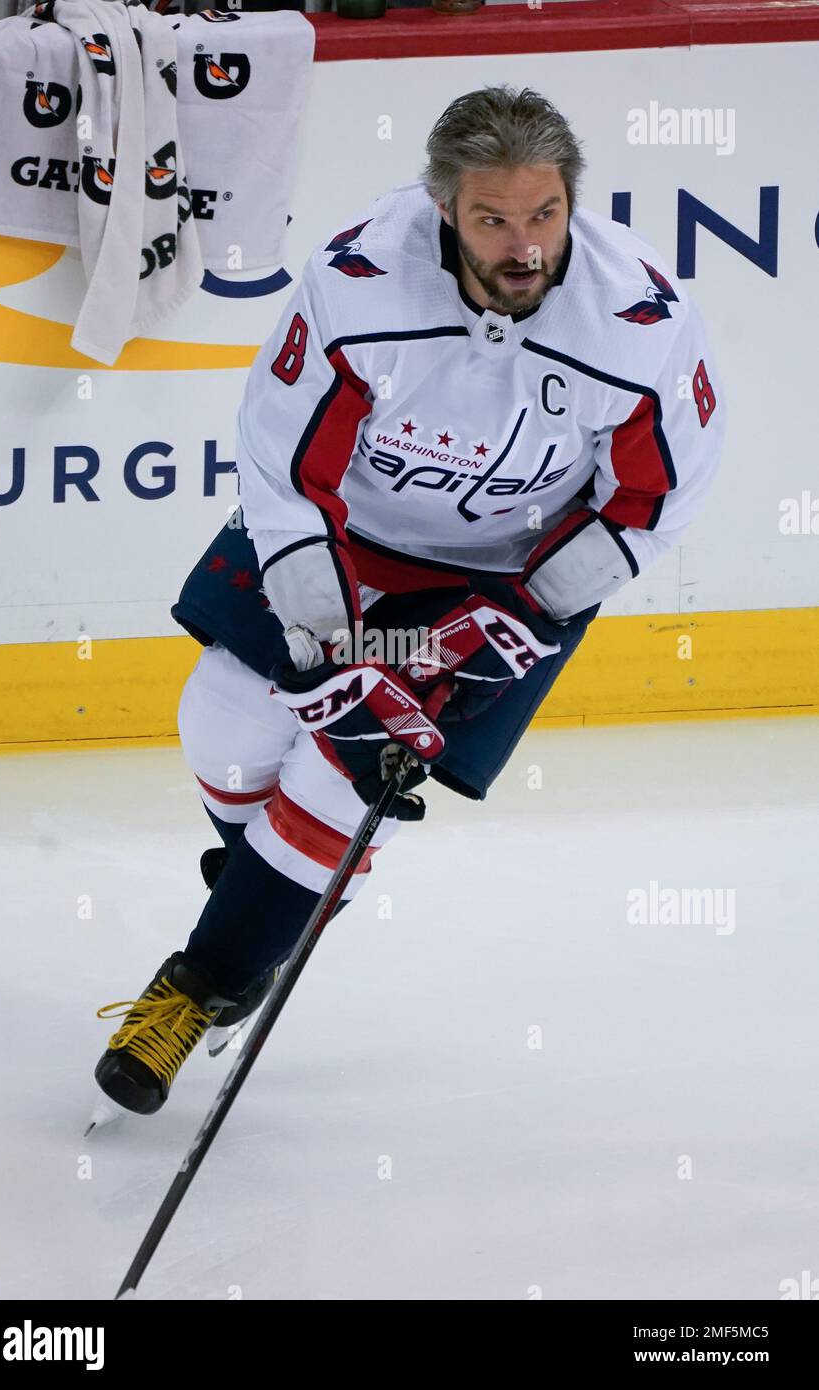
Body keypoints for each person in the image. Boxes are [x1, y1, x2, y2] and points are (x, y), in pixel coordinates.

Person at [94, 85, 724, 1115]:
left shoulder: (639, 320)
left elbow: (653, 495)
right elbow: (285, 458)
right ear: (442, 207)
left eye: (543, 214)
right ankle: (269, 905)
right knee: (222, 718)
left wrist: (525, 614)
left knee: (350, 777)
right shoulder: (361, 281)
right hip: (345, 542)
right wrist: (323, 629)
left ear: (570, 200)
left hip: (503, 578)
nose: (523, 247)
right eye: (490, 219)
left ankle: (197, 986)